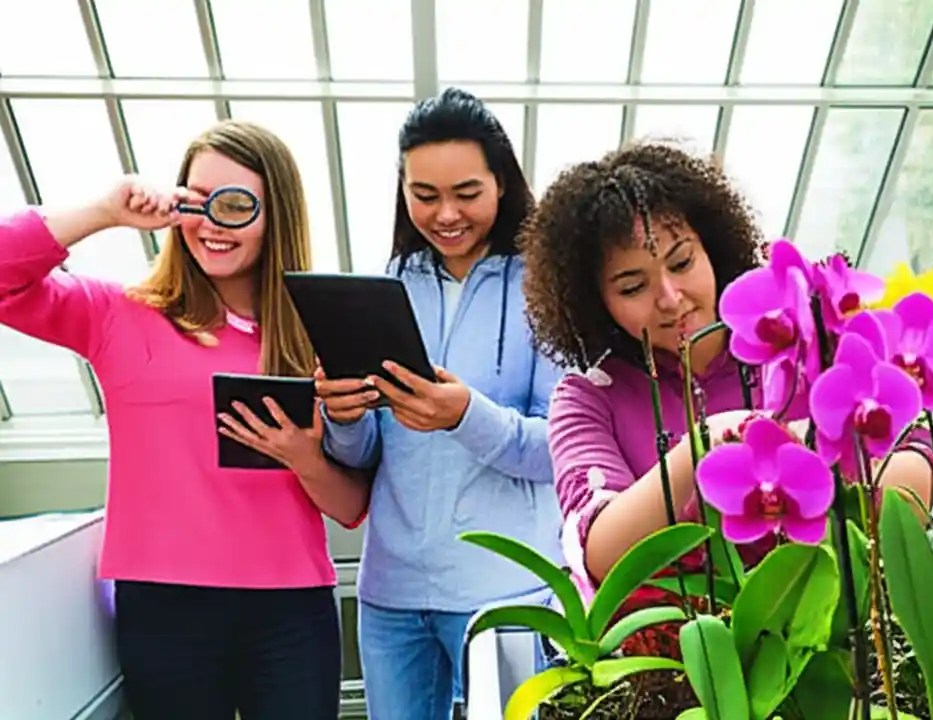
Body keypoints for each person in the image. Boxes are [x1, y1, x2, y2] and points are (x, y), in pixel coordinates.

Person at [0, 120, 370, 719]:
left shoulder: (317, 335)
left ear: (276, 216)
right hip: (165, 610)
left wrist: (303, 457)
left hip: (291, 612)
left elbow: (352, 506)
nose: (211, 224)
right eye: (196, 202)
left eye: (235, 205)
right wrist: (104, 210)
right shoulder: (117, 314)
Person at [519, 142, 933, 605]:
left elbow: (913, 477)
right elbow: (601, 552)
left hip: (830, 625)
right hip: (683, 653)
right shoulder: (588, 398)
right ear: (595, 301)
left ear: (713, 247)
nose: (670, 297)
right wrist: (700, 448)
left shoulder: (805, 344)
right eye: (633, 286)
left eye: (682, 263)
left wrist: (817, 455)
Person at [316, 88, 563, 720]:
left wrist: (464, 415)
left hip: (505, 594)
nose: (445, 213)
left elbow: (559, 450)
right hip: (392, 595)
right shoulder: (382, 286)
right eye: (424, 195)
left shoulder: (547, 291)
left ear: (501, 184)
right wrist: (342, 417)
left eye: (466, 193)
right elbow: (366, 453)